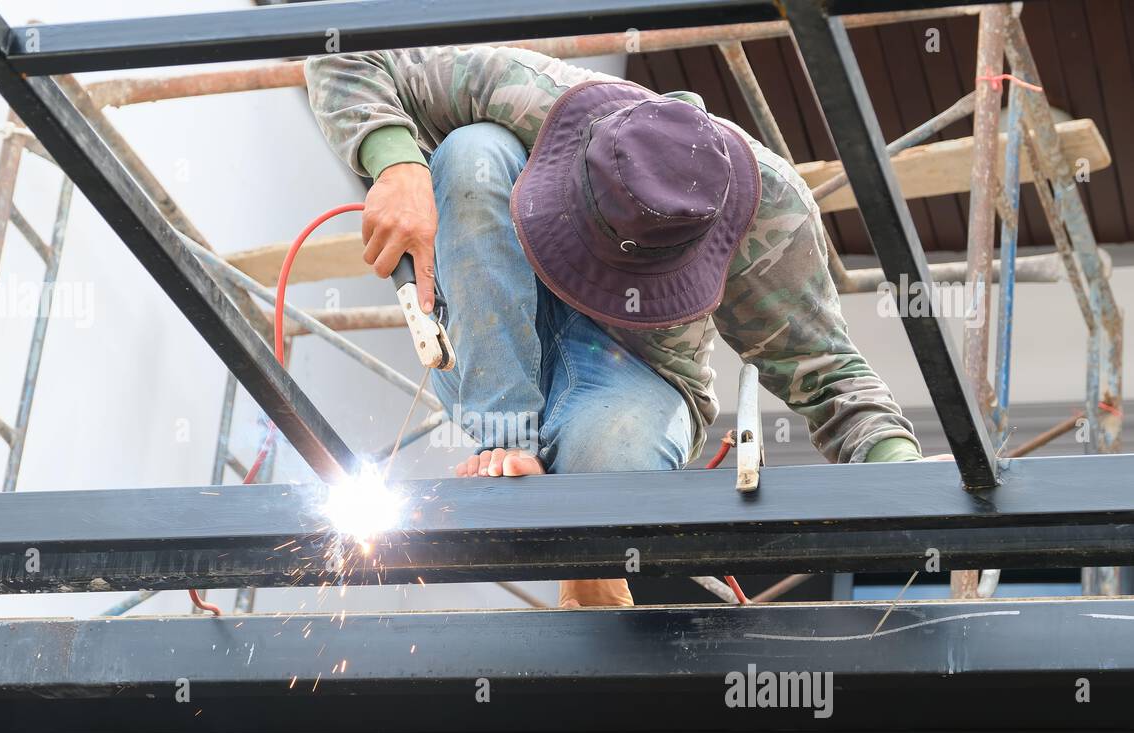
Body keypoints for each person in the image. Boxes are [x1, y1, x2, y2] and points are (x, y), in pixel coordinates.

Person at [306, 45, 928, 608]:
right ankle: (506, 439)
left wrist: (908, 480)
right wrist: (396, 166)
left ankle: (590, 551)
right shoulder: (533, 95)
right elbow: (339, 53)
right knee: (472, 153)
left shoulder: (771, 218)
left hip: (639, 373)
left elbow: (832, 378)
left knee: (617, 459)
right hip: (499, 312)